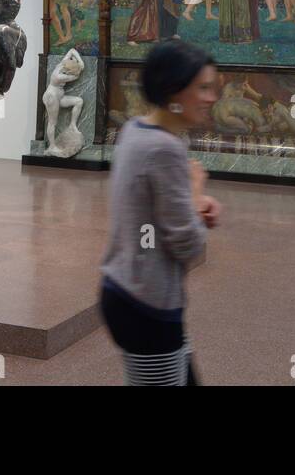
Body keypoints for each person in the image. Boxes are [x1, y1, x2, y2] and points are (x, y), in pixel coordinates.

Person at [99, 42, 221, 386]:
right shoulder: (165, 149)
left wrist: (191, 201)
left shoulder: (135, 130)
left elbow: (150, 208)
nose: (211, 98)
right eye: (203, 88)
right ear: (172, 88)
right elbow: (187, 247)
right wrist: (196, 196)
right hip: (147, 303)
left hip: (125, 290)